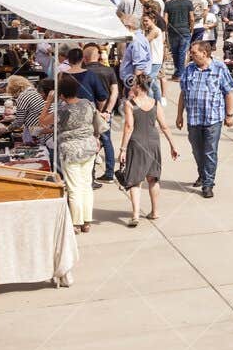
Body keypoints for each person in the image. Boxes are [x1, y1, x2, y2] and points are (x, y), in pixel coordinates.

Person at [175, 40, 233, 198]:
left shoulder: (219, 68)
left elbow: (228, 92)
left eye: (194, 52)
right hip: (193, 119)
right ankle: (202, 174)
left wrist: (229, 115)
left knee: (210, 151)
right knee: (197, 151)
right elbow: (183, 93)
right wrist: (179, 115)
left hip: (213, 119)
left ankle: (208, 183)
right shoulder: (189, 69)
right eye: (191, 52)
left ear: (204, 53)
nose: (191, 55)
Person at [117, 72, 178, 227]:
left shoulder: (130, 104)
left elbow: (129, 127)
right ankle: (155, 211)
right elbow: (164, 126)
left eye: (133, 83)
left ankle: (135, 215)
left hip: (137, 142)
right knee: (153, 178)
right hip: (153, 142)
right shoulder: (155, 103)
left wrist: (123, 149)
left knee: (135, 181)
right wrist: (173, 145)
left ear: (138, 85)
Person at [42, 74, 100, 233]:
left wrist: (48, 102)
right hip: (88, 147)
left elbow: (43, 121)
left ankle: (76, 222)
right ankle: (86, 221)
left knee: (74, 187)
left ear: (61, 95)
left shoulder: (62, 111)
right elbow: (96, 123)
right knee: (86, 185)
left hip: (71, 150)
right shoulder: (87, 104)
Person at [83, 43, 120, 183]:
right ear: (98, 56)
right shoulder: (109, 71)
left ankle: (90, 174)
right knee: (106, 140)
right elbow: (115, 92)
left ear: (85, 58)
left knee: (90, 142)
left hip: (87, 112)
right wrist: (108, 111)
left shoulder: (82, 71)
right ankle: (109, 173)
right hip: (105, 113)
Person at [163, 0, 195, 77]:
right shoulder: (188, 3)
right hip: (185, 29)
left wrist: (166, 31)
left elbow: (165, 19)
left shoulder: (168, 4)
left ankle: (178, 72)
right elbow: (192, 18)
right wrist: (191, 28)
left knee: (175, 52)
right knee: (182, 52)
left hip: (173, 30)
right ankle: (180, 73)